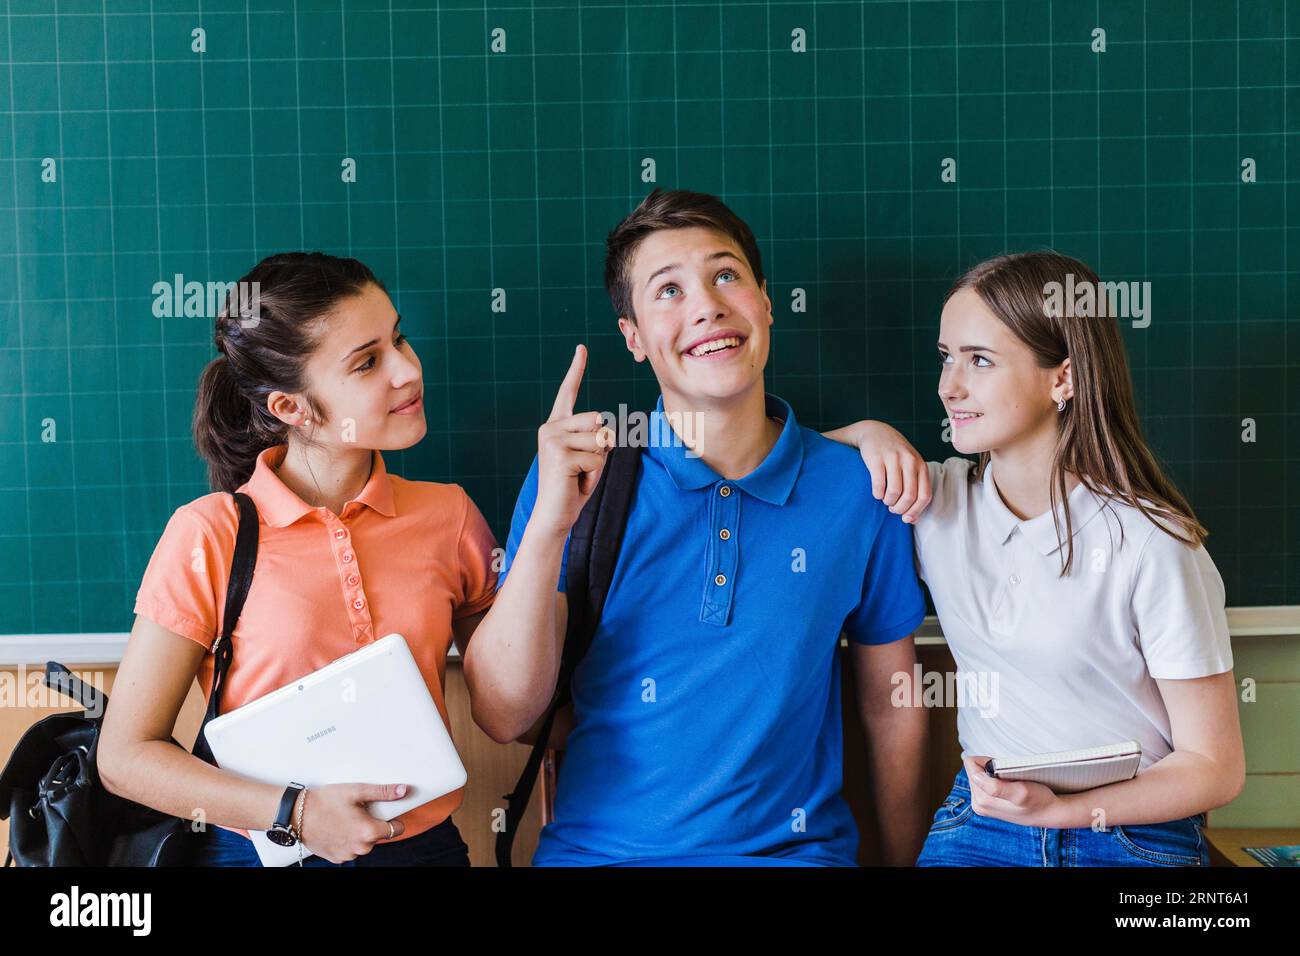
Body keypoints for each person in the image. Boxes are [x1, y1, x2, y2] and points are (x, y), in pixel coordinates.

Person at [464, 189, 930, 865]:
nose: (706, 305)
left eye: (725, 276)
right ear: (633, 338)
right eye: (669, 291)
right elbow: (504, 716)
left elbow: (891, 709)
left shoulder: (861, 488)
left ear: (765, 302)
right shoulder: (577, 479)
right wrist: (545, 529)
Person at [826, 251, 1246, 866]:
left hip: (1131, 835)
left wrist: (1063, 812)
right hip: (982, 825)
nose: (949, 386)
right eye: (946, 357)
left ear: (1063, 379)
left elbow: (1215, 769)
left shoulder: (1153, 543)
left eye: (980, 360)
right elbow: (785, 455)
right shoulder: (935, 503)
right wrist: (869, 433)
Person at [98, 252, 499, 866]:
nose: (407, 371)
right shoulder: (210, 533)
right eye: (367, 362)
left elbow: (511, 704)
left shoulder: (450, 516)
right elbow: (125, 758)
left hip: (423, 853)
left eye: (399, 339)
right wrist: (298, 814)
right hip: (263, 852)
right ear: (291, 408)